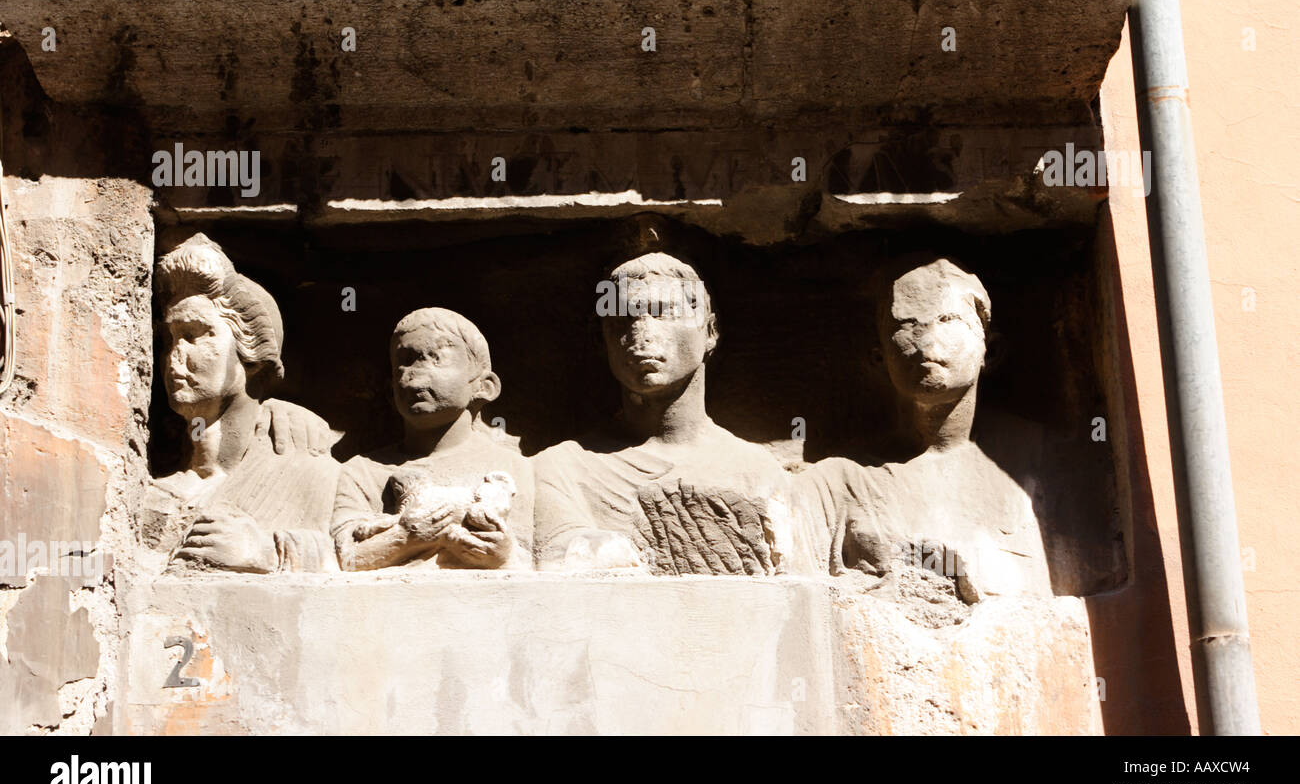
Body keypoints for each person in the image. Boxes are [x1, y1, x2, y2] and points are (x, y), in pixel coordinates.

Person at [534, 252, 826, 575]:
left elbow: (800, 601)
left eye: (664, 313)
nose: (642, 334)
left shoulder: (757, 474)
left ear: (710, 332)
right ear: (599, 339)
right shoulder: (561, 471)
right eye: (623, 319)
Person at [811, 256, 1053, 600]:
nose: (925, 343)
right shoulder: (840, 483)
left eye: (947, 319)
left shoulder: (1051, 463)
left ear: (990, 349)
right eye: (906, 325)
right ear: (878, 358)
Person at [149, 233, 339, 573]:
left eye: (194, 335)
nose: (175, 356)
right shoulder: (153, 494)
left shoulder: (311, 471)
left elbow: (353, 550)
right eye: (169, 339)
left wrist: (269, 553)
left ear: (250, 351)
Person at [331, 308, 533, 571]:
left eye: (435, 358)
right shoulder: (362, 472)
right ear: (390, 390)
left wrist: (505, 556)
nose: (413, 375)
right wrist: (405, 538)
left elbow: (546, 566)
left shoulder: (518, 470)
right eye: (404, 360)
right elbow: (342, 558)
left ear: (484, 386)